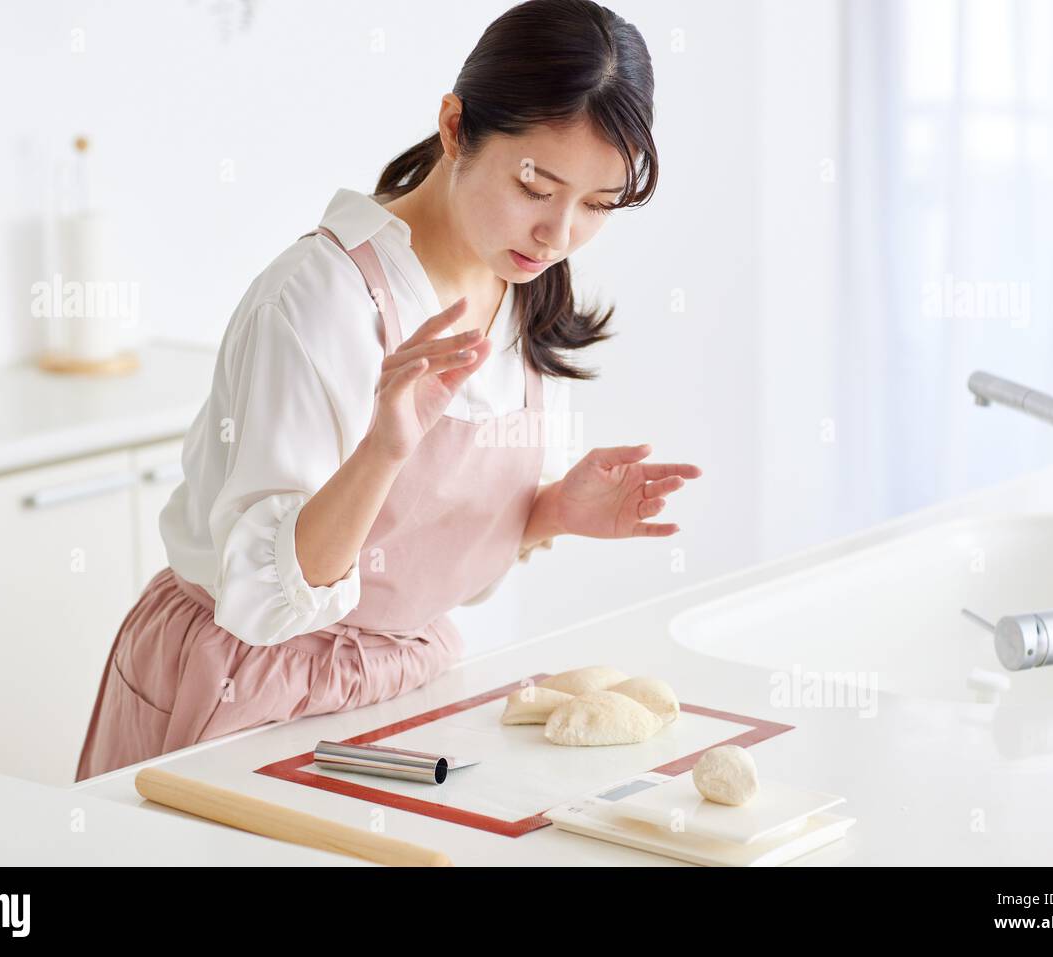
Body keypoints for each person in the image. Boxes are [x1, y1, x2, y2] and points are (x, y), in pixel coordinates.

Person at [75, 0, 700, 782]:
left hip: (402, 678)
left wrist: (546, 513)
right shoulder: (317, 299)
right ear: (454, 126)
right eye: (536, 185)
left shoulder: (520, 285)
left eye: (598, 205)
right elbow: (266, 597)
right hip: (246, 678)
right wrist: (383, 448)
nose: (559, 234)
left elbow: (412, 552)